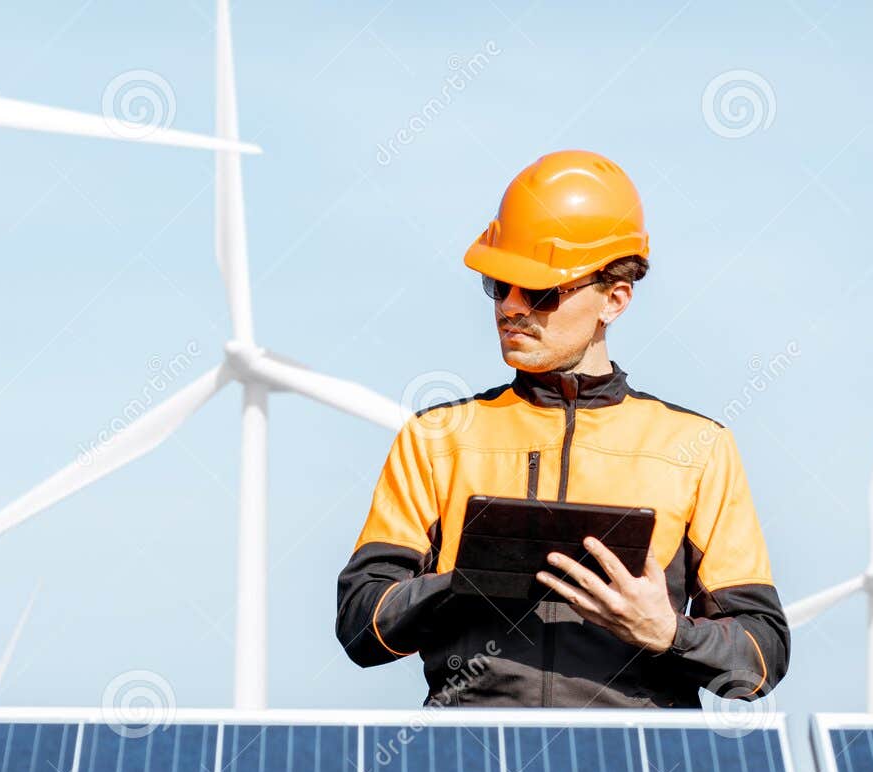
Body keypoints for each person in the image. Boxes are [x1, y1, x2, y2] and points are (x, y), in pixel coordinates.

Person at [335, 149, 789, 708]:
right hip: (468, 767)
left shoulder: (697, 449)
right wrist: (467, 583)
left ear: (614, 300)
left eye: (541, 292)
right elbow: (360, 624)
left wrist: (667, 633)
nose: (511, 308)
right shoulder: (437, 438)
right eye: (499, 286)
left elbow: (761, 655)